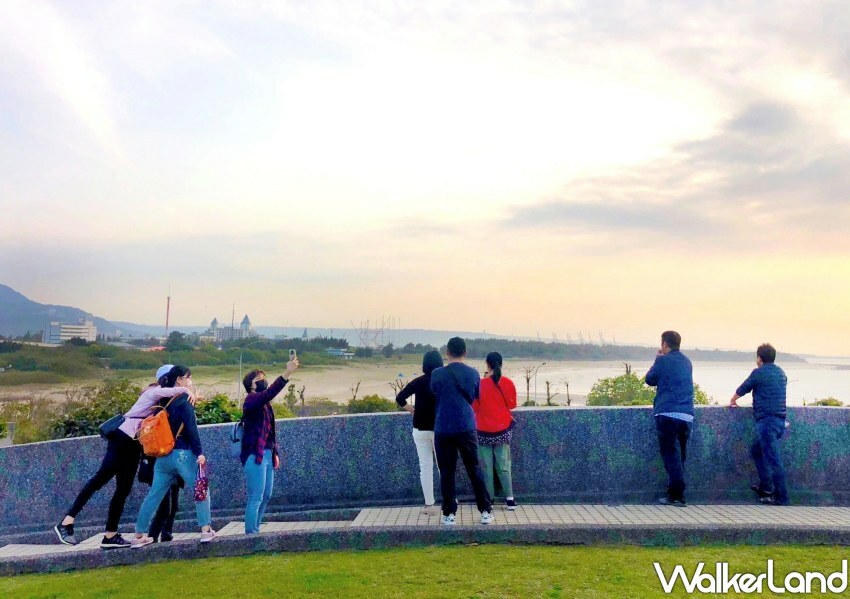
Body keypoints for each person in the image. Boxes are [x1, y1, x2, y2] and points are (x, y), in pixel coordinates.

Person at [53, 364, 191, 548]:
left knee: (123, 490)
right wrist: (187, 390)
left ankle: (110, 535)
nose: (183, 381)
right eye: (179, 378)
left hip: (133, 445)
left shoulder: (166, 398)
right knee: (100, 480)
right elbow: (172, 391)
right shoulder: (154, 391)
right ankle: (67, 521)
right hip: (122, 439)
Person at [131, 366, 215, 547]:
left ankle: (138, 536)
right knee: (201, 489)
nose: (190, 381)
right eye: (188, 377)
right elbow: (190, 427)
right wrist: (199, 452)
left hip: (163, 457)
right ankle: (205, 530)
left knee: (154, 496)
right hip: (183, 453)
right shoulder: (184, 399)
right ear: (179, 380)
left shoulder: (162, 400)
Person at [430, 337, 494, 525]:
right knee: (474, 469)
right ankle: (485, 511)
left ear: (447, 352)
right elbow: (475, 396)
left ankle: (449, 514)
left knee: (447, 471)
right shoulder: (473, 373)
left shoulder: (437, 374)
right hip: (466, 426)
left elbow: (435, 392)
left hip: (443, 427)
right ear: (465, 352)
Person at [241, 357, 300, 534]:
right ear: (251, 385)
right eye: (258, 379)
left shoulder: (265, 405)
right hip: (254, 455)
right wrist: (287, 372)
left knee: (266, 496)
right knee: (255, 498)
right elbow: (270, 392)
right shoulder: (251, 400)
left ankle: (256, 529)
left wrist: (275, 453)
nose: (263, 381)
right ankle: (251, 534)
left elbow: (270, 432)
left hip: (266, 453)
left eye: (263, 378)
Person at [729, 343, 789, 505]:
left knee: (773, 459)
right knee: (757, 450)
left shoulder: (759, 372)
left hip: (767, 421)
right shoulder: (781, 373)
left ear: (760, 358)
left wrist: (733, 400)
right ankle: (766, 487)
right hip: (780, 421)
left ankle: (781, 497)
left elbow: (744, 388)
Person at [645, 330, 694, 507]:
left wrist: (657, 360)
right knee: (680, 456)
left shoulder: (663, 360)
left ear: (665, 344)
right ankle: (676, 493)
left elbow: (650, 379)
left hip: (667, 413)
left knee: (670, 455)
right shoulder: (687, 362)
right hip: (686, 415)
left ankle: (677, 495)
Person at [395, 350, 443, 516]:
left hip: (420, 429)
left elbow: (400, 398)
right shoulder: (442, 381)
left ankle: (429, 505)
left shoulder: (418, 381)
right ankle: (449, 499)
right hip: (439, 429)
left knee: (425, 467)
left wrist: (412, 411)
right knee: (443, 466)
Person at [473, 352, 518, 510]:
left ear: (487, 364)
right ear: (501, 364)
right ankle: (510, 499)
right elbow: (512, 405)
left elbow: (474, 407)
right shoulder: (508, 383)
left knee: (486, 467)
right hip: (502, 430)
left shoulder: (480, 384)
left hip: (483, 431)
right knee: (503, 465)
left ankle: (489, 500)